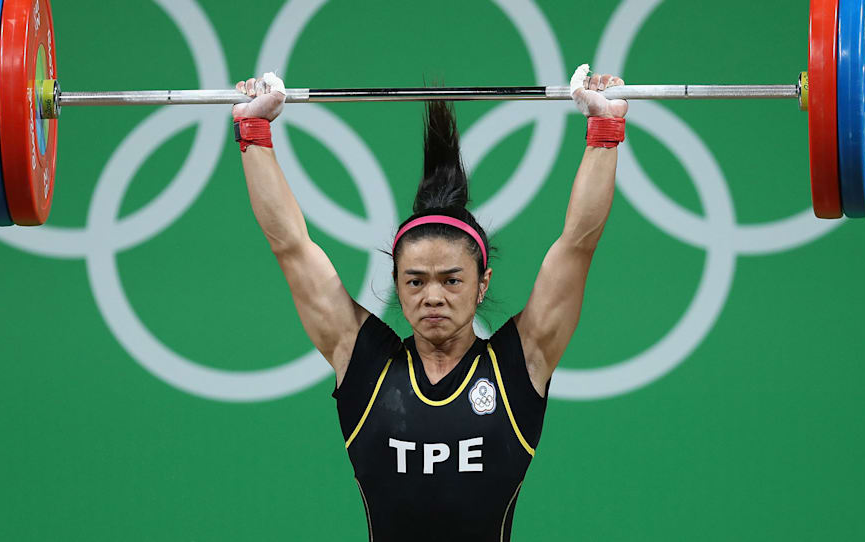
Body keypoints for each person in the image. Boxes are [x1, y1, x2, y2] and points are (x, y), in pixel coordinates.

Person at [233, 65, 628, 541]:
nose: (433, 296)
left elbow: (578, 244)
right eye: (416, 281)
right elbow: (291, 246)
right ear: (397, 284)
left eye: (452, 280)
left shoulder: (521, 362)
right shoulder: (363, 362)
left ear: (482, 284)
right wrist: (254, 131)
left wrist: (604, 130)